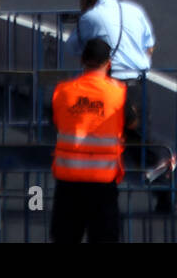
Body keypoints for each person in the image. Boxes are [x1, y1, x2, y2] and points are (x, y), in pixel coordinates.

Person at [63, 0, 155, 163]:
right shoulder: (134, 10)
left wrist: (83, 14)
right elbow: (150, 46)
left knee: (105, 141)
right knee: (139, 142)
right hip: (138, 84)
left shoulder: (91, 17)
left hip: (109, 86)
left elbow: (72, 48)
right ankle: (161, 176)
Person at [50, 38, 125, 243]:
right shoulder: (118, 93)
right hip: (102, 183)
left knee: (64, 238)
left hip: (68, 181)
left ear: (83, 60)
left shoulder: (63, 91)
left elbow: (57, 120)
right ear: (108, 63)